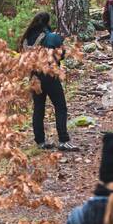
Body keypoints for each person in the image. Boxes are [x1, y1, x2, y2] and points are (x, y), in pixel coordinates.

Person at [20, 11, 79, 151]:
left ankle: (40, 141)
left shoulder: (26, 39)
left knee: (38, 108)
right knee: (60, 107)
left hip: (34, 77)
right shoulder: (51, 37)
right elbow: (61, 55)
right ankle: (64, 140)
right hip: (50, 75)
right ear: (47, 22)